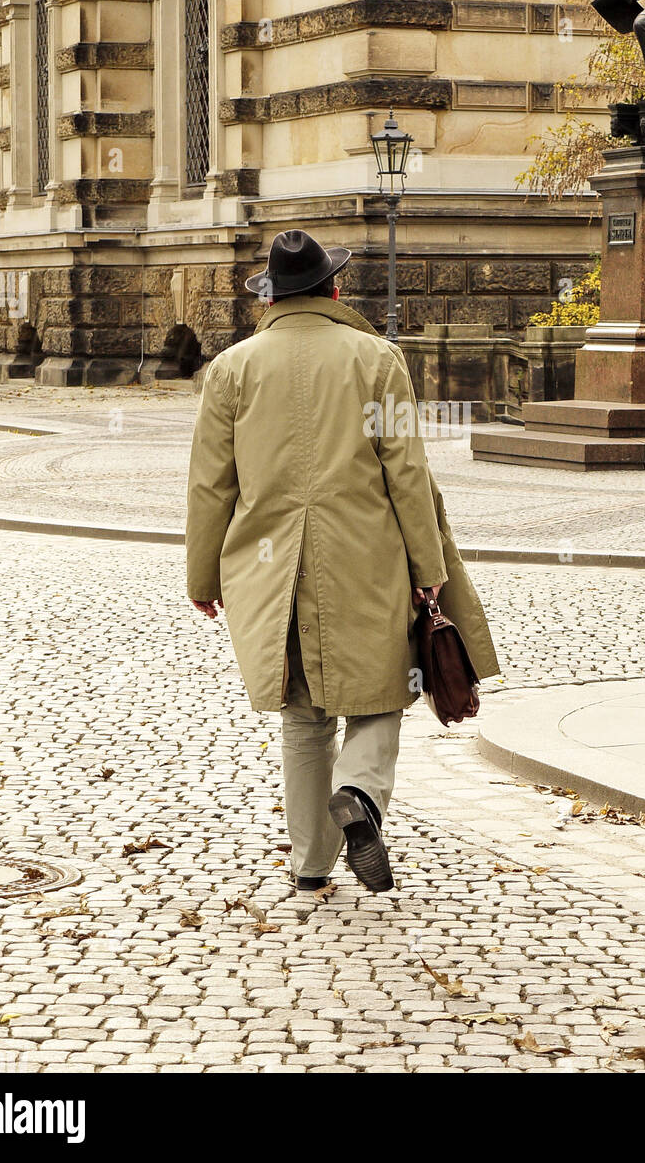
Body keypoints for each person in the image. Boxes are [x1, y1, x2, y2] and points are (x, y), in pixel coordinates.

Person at [186, 230, 499, 894]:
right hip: (368, 557)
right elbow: (406, 473)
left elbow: (211, 484)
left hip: (273, 570)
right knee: (386, 692)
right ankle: (357, 792)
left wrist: (203, 577)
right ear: (334, 289)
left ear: (270, 297)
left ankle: (309, 867)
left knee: (303, 719)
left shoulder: (231, 370)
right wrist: (428, 565)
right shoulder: (376, 359)